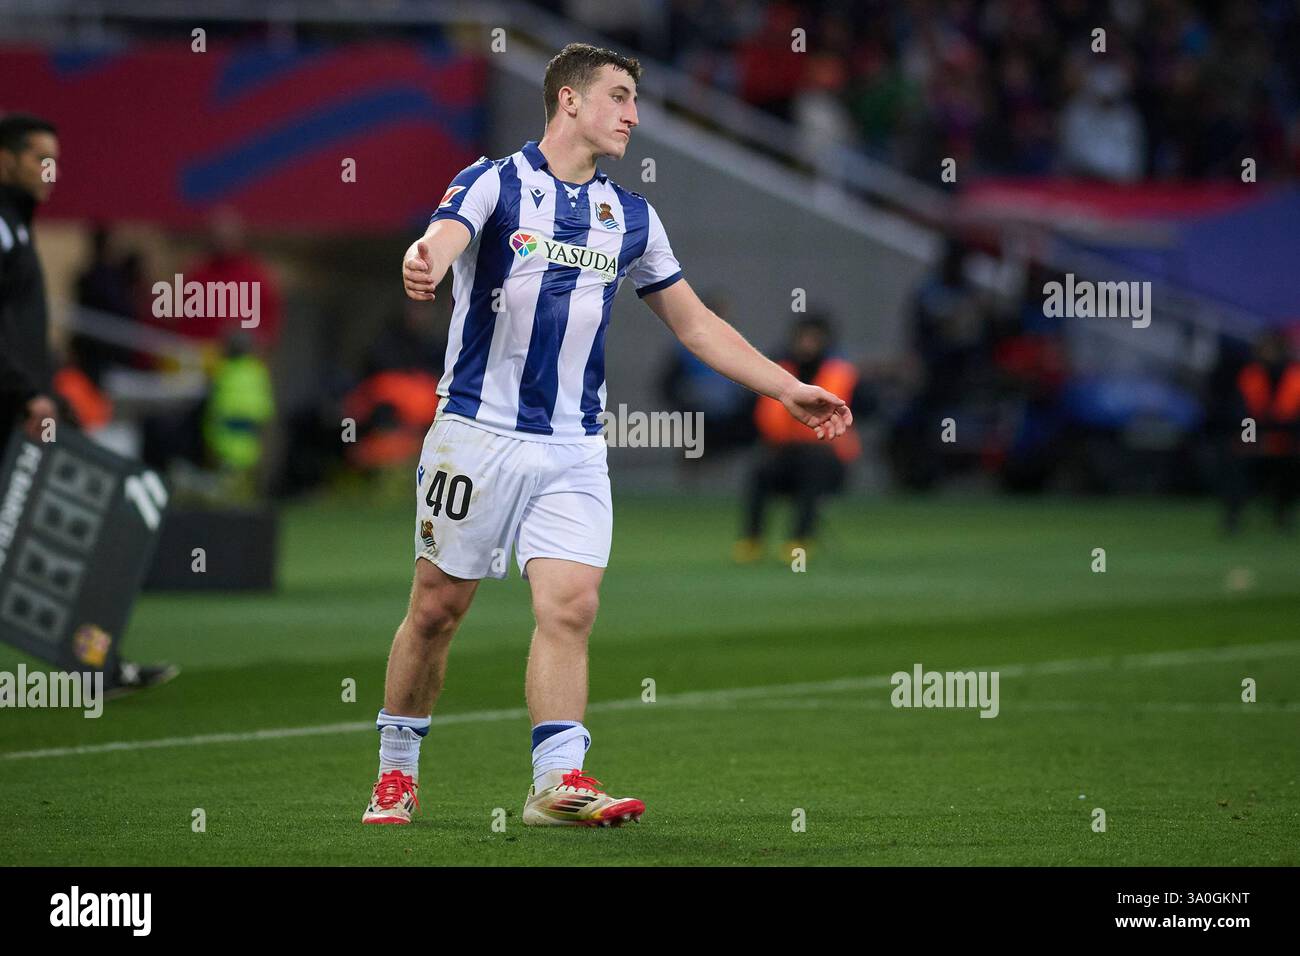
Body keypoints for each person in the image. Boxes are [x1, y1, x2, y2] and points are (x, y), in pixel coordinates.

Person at [366, 43, 853, 826]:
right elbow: (443, 238)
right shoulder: (494, 181)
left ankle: (557, 782)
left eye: (635, 99)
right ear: (568, 100)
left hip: (574, 448)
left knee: (570, 607)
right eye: (621, 95)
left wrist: (786, 386)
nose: (633, 114)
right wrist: (422, 260)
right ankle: (396, 772)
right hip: (476, 435)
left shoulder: (631, 216)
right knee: (437, 609)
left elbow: (693, 322)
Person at [0, 112, 177, 696]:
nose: (50, 170)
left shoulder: (18, 229)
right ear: (5, 160)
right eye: (37, 157)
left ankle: (95, 663)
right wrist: (29, 392)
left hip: (29, 402)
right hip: (15, 406)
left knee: (82, 526)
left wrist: (51, 388)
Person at [736, 314, 862, 562]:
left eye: (813, 339)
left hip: (827, 459)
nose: (806, 345)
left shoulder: (842, 374)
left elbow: (869, 407)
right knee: (761, 468)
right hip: (785, 455)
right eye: (802, 338)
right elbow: (753, 415)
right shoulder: (778, 374)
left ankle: (800, 540)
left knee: (813, 465)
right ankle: (752, 540)